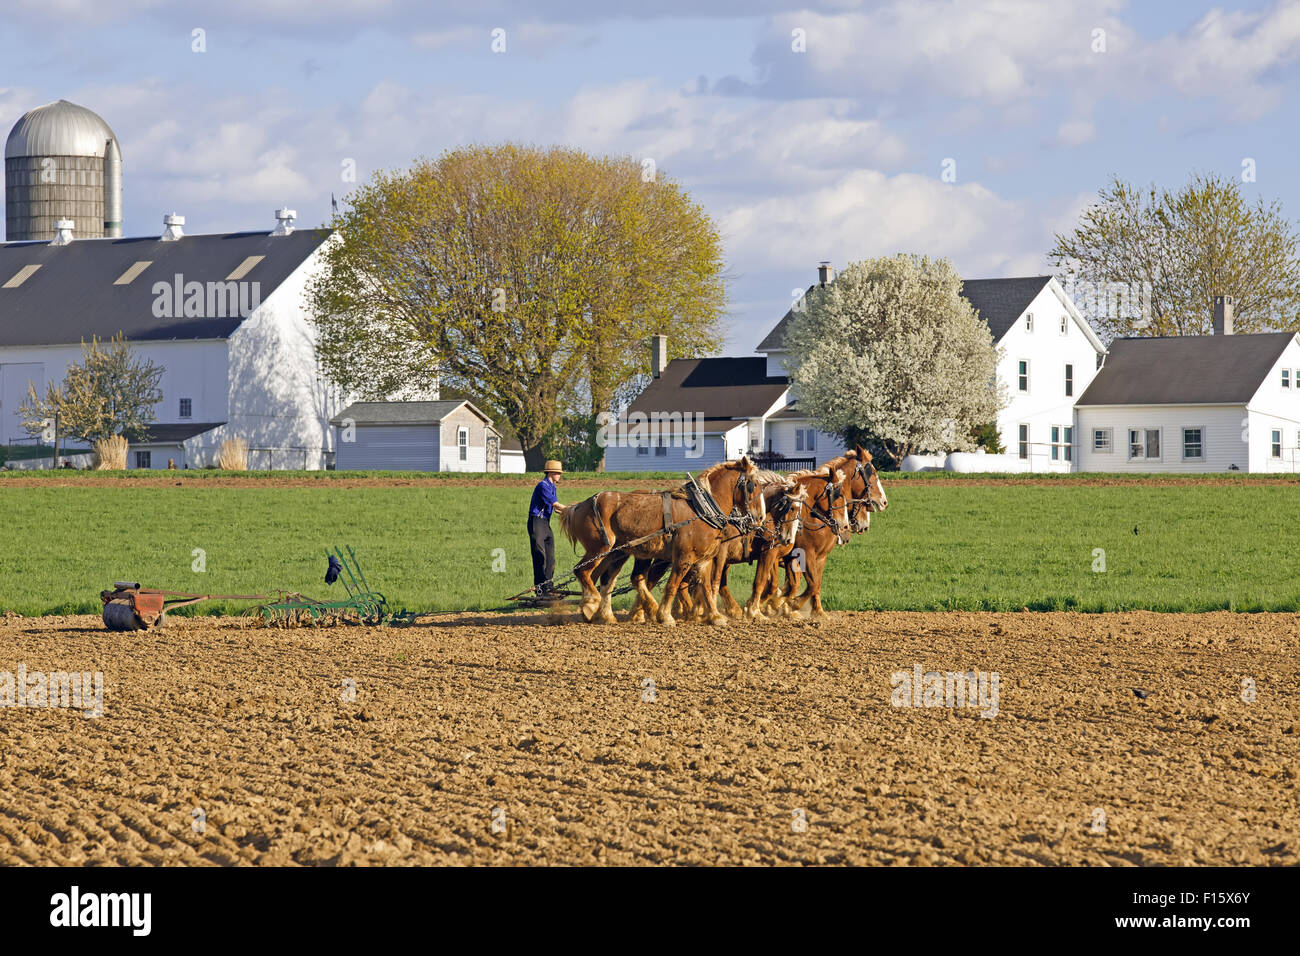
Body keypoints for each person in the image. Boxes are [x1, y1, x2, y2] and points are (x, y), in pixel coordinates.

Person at [528, 460, 568, 594]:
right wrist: (572, 510)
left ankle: (548, 586)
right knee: (540, 557)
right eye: (558, 473)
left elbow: (555, 509)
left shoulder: (552, 487)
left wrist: (571, 514)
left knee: (550, 557)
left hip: (545, 523)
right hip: (537, 522)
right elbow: (555, 504)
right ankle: (540, 589)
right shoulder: (543, 485)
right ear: (551, 473)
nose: (560, 476)